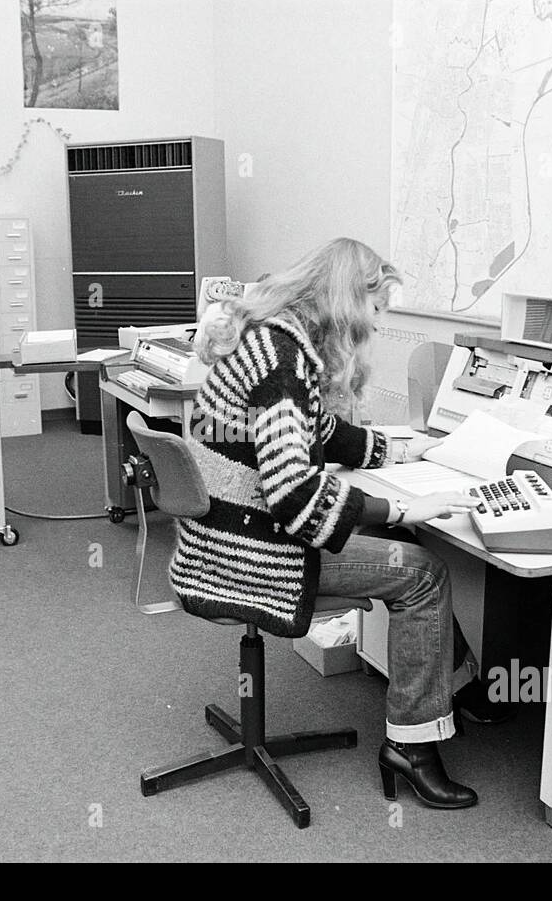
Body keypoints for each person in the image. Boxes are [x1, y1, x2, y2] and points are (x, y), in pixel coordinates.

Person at [170, 237, 501, 810]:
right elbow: (295, 497)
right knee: (424, 573)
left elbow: (314, 429)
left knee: (397, 545)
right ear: (350, 302)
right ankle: (413, 747)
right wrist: (401, 507)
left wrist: (395, 452)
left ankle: (451, 690)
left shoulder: (270, 336)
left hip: (217, 539)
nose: (376, 327)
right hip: (252, 555)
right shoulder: (282, 361)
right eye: (376, 311)